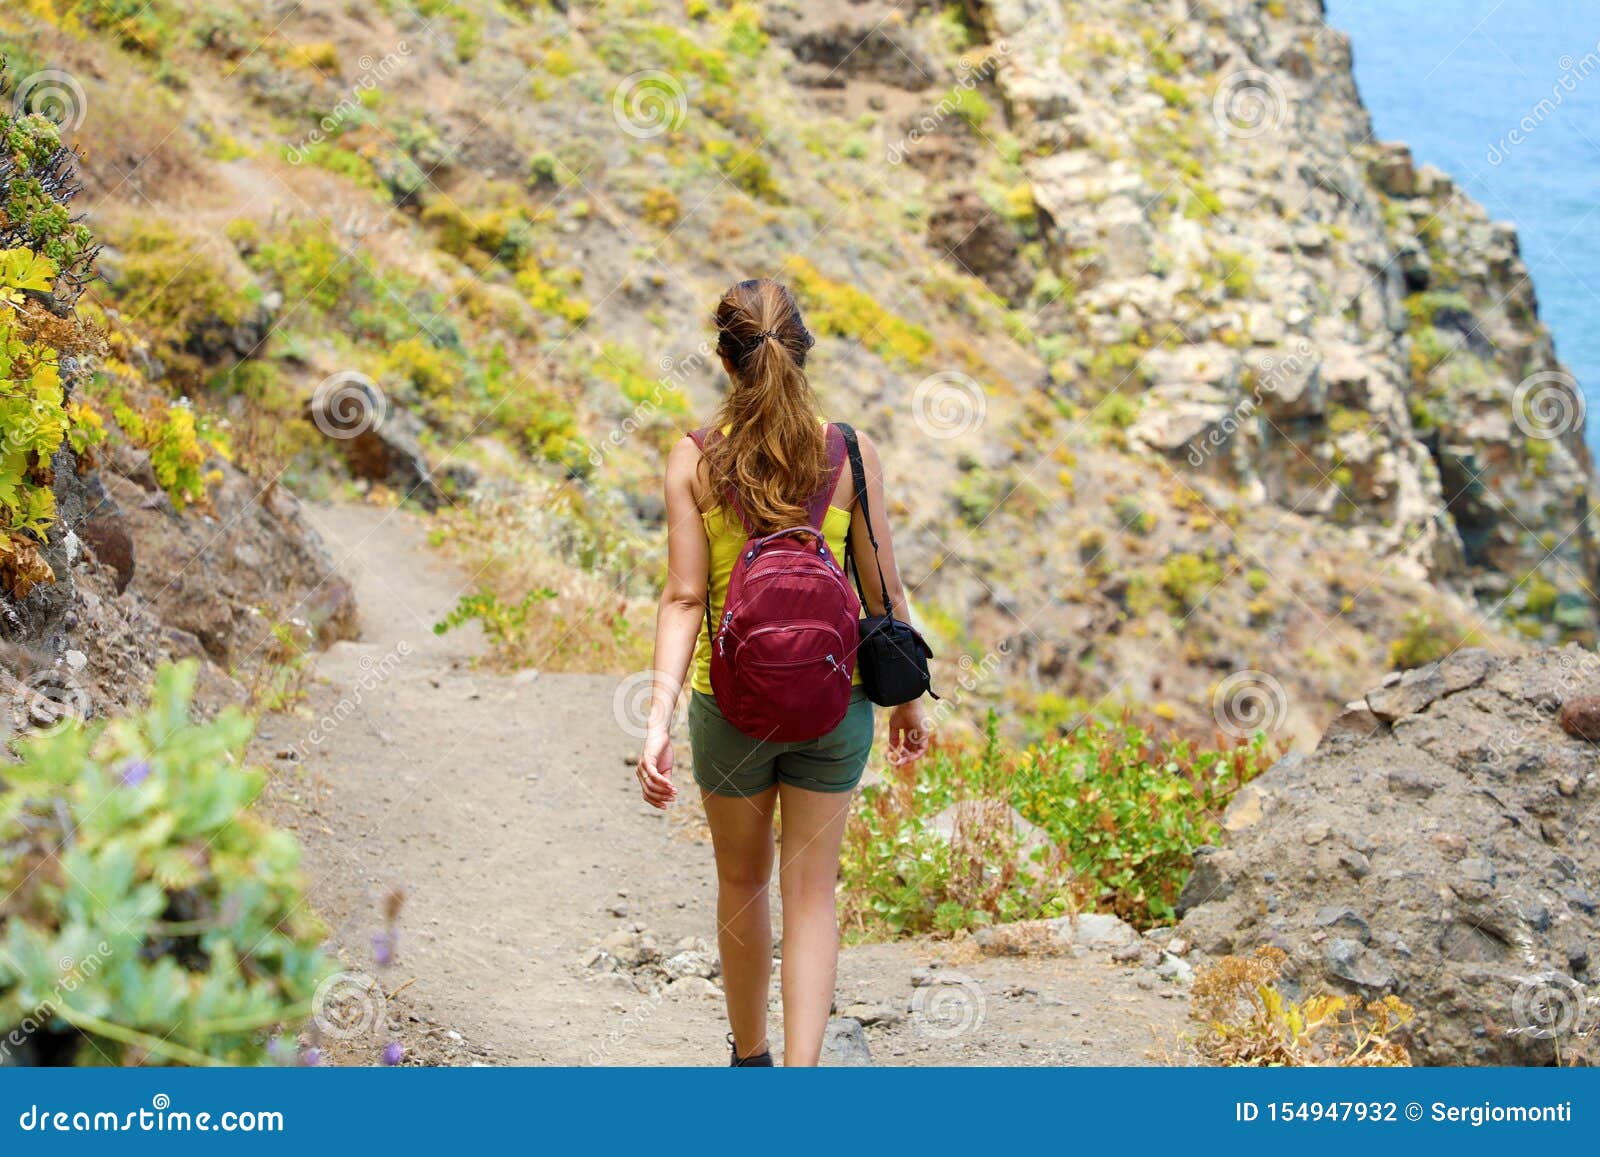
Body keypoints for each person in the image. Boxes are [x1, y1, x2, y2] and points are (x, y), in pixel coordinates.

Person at [635, 277, 931, 1066]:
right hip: (837, 704)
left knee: (742, 884)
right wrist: (907, 704)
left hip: (729, 708)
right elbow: (883, 590)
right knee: (811, 894)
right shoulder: (849, 452)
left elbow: (684, 596)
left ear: (727, 363)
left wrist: (657, 719)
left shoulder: (694, 458)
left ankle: (751, 1061)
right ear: (801, 352)